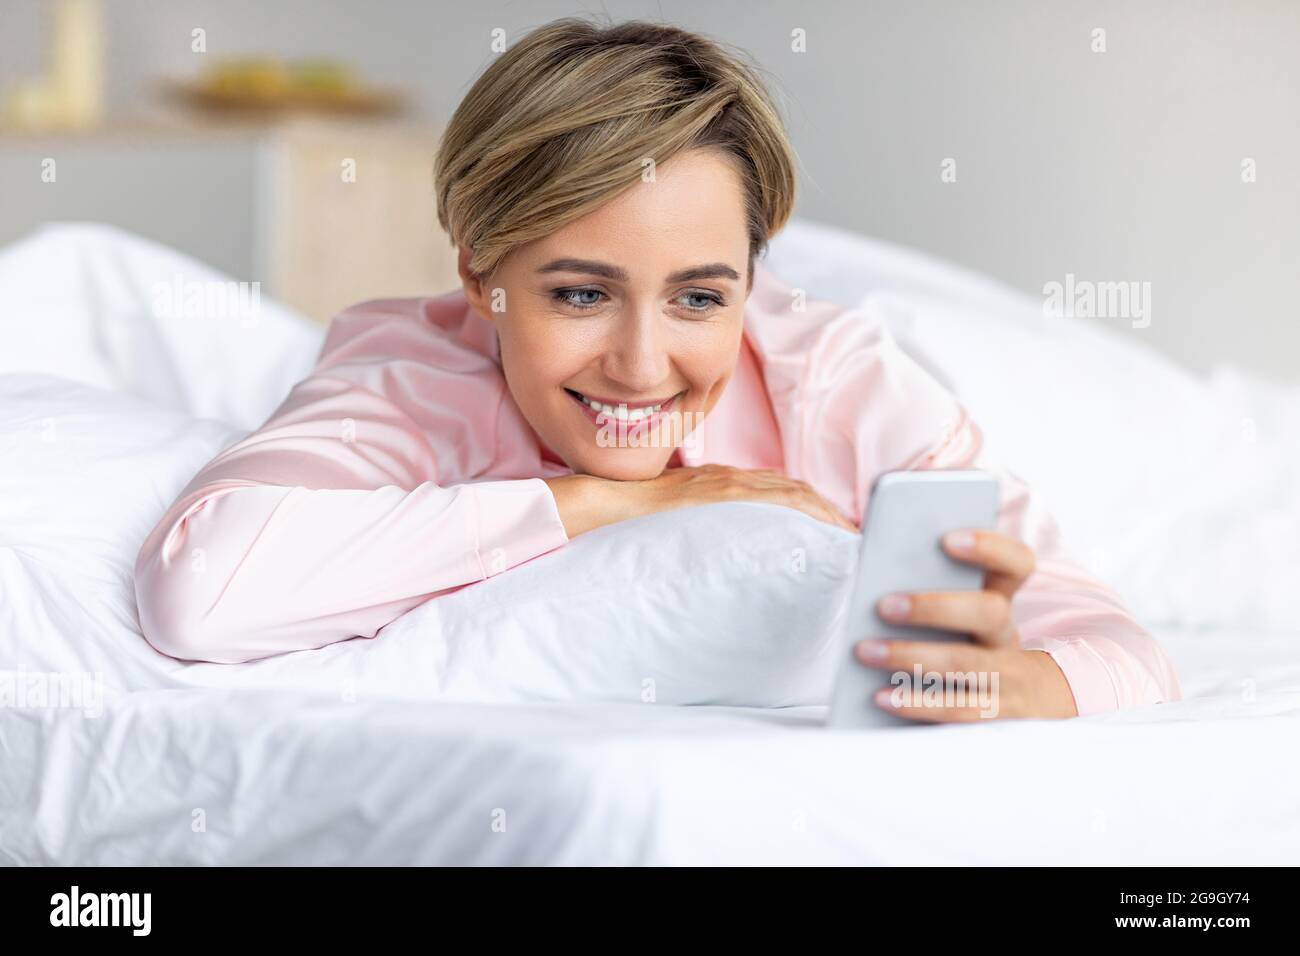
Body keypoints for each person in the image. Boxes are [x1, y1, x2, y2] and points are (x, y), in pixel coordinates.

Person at [135, 17, 1181, 721]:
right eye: (579, 294)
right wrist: (599, 501)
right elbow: (201, 591)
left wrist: (1010, 679)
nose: (640, 367)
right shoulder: (416, 372)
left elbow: (1124, 650)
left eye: (698, 296)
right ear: (479, 272)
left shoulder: (838, 379)